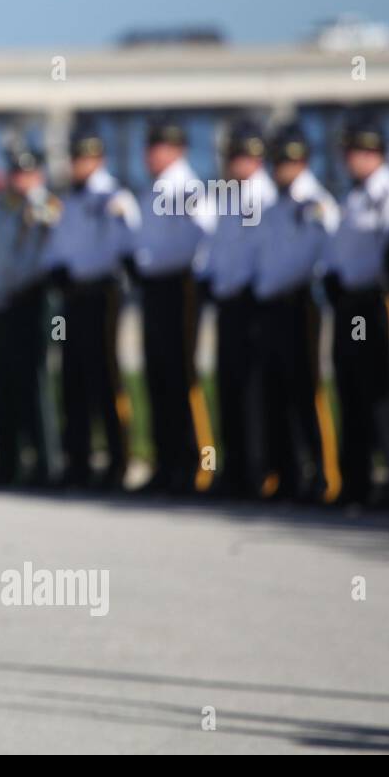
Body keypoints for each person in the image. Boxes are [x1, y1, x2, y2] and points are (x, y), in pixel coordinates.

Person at [44, 121, 136, 489]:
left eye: (86, 156)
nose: (79, 163)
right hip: (73, 295)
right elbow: (58, 245)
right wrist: (57, 269)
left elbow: (124, 247)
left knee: (106, 376)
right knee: (73, 379)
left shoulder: (113, 198)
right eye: (75, 156)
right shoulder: (66, 199)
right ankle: (77, 461)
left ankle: (118, 462)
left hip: (103, 294)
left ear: (99, 158)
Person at [252, 123, 341, 503]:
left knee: (307, 391)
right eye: (277, 162)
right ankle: (286, 475)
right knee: (276, 394)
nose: (281, 170)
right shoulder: (275, 207)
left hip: (301, 305)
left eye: (289, 162)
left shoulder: (316, 204)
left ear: (303, 161)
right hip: (271, 307)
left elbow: (322, 256)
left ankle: (325, 476)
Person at [325, 116, 389, 507]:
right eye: (348, 151)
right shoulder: (352, 196)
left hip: (376, 305)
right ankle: (355, 481)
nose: (351, 158)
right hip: (350, 305)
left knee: (386, 392)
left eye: (360, 150)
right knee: (352, 388)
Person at [128, 116, 215, 494]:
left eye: (161, 146)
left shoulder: (187, 187)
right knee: (158, 376)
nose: (153, 154)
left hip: (180, 285)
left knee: (182, 375)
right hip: (154, 287)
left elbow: (206, 234)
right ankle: (168, 463)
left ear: (179, 149)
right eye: (150, 146)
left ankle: (198, 465)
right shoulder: (156, 188)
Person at [196, 120, 276, 497]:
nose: (238, 163)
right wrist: (208, 278)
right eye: (234, 156)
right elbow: (218, 248)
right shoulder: (227, 195)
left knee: (255, 392)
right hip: (228, 303)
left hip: (255, 303)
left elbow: (264, 254)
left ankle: (262, 471)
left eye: (245, 156)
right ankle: (235, 469)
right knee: (227, 386)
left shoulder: (266, 197)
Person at [0, 145, 59, 486]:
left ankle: (47, 463)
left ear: (39, 174)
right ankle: (8, 462)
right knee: (3, 382)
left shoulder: (47, 207)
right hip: (4, 302)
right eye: (15, 172)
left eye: (27, 173)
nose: (20, 179)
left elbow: (46, 255)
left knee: (35, 384)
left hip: (34, 299)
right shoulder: (0, 205)